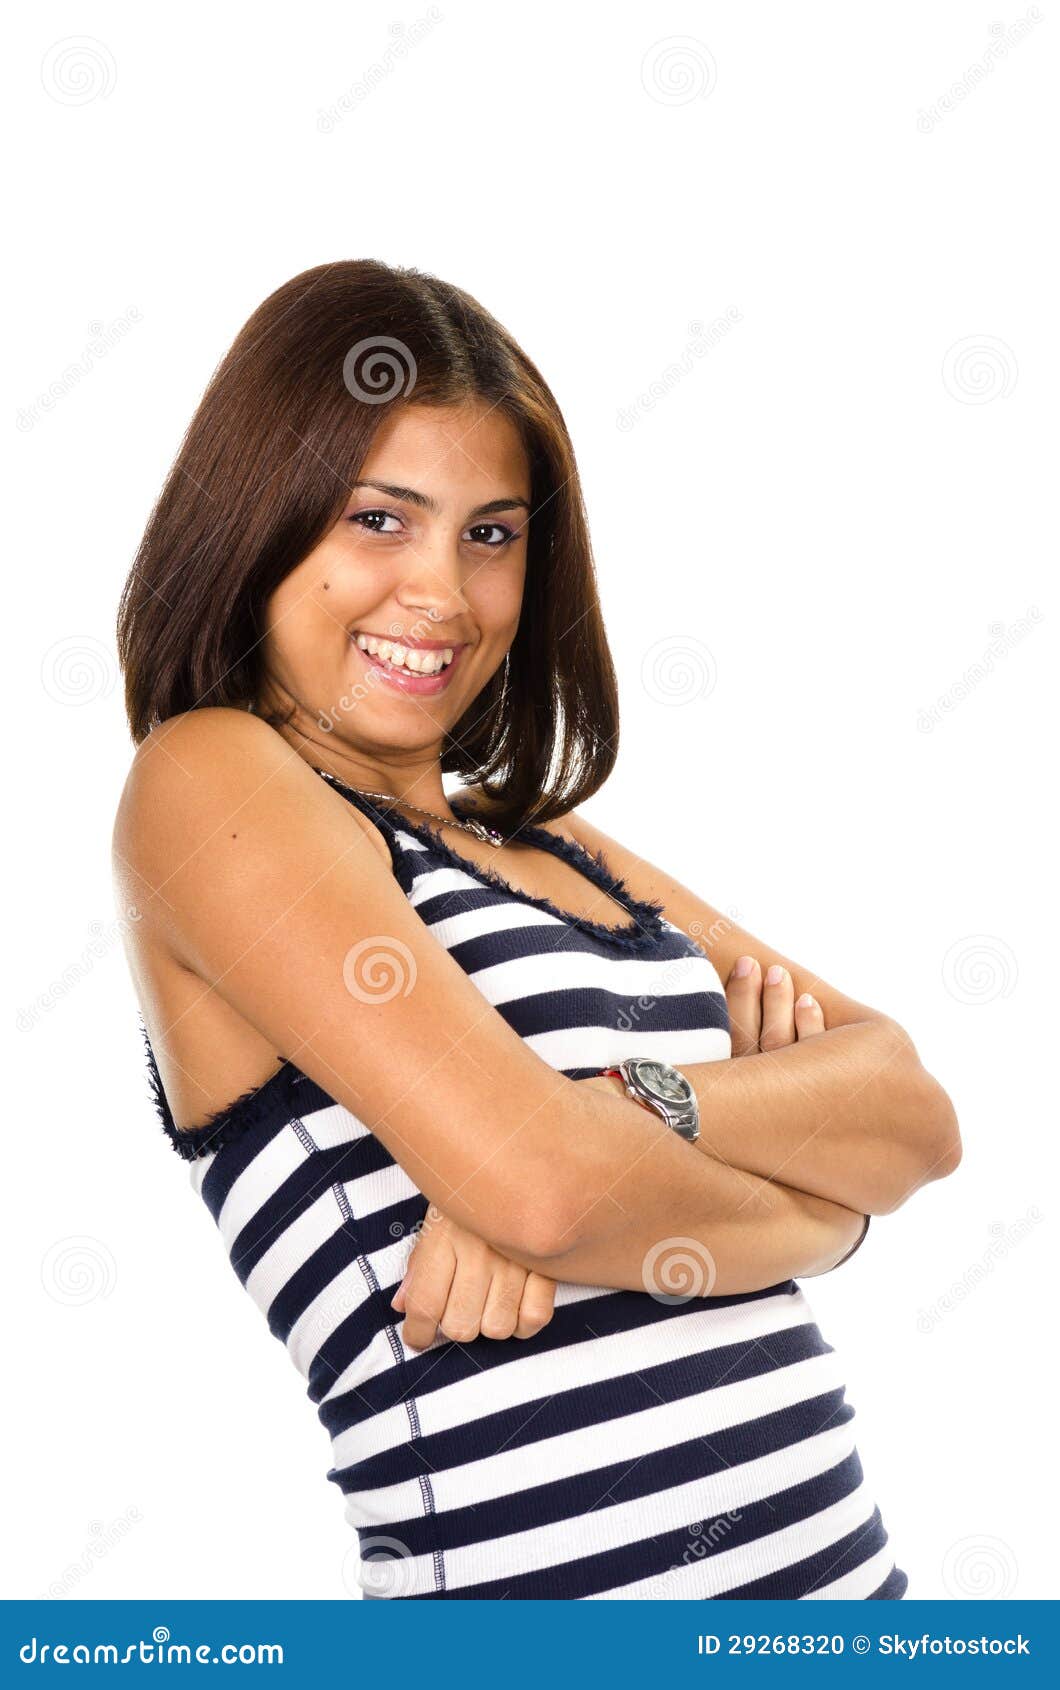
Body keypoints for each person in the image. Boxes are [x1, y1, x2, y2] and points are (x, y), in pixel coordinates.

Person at [112, 260, 961, 1600]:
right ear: (257, 521)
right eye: (379, 520)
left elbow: (914, 1109)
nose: (441, 594)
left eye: (491, 534)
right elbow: (546, 1190)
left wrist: (625, 1096)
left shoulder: (562, 850)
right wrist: (827, 1215)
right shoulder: (207, 780)